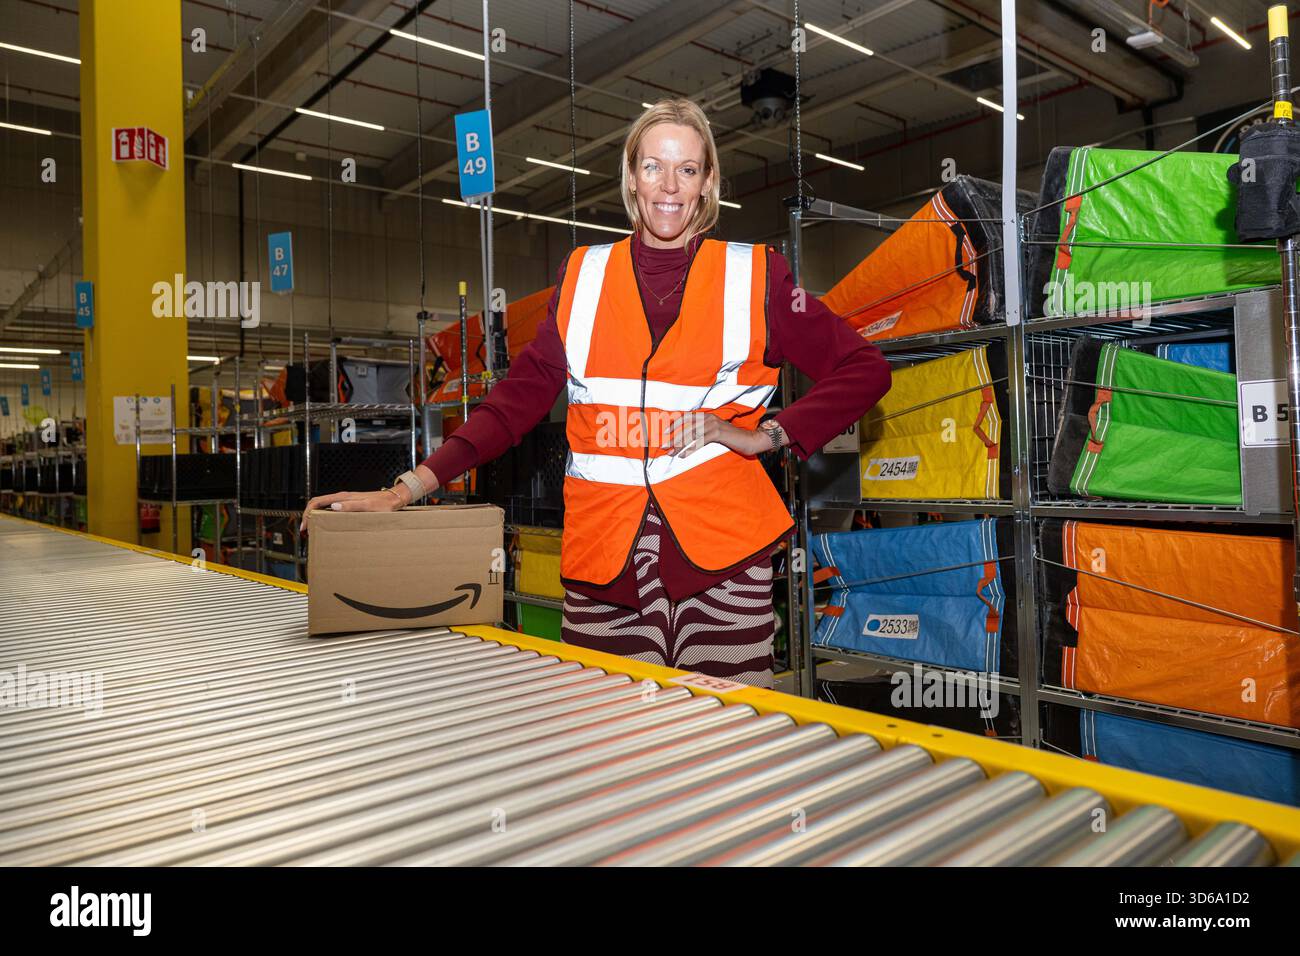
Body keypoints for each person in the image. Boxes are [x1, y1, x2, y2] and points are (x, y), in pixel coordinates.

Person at [303, 98, 890, 688]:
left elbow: (864, 367)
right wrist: (407, 489)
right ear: (631, 176)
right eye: (654, 166)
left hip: (725, 565)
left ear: (708, 182)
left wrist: (767, 435)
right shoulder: (583, 277)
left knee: (725, 748)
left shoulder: (758, 276)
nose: (669, 186)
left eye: (687, 169)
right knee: (609, 752)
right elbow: (515, 402)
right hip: (605, 568)